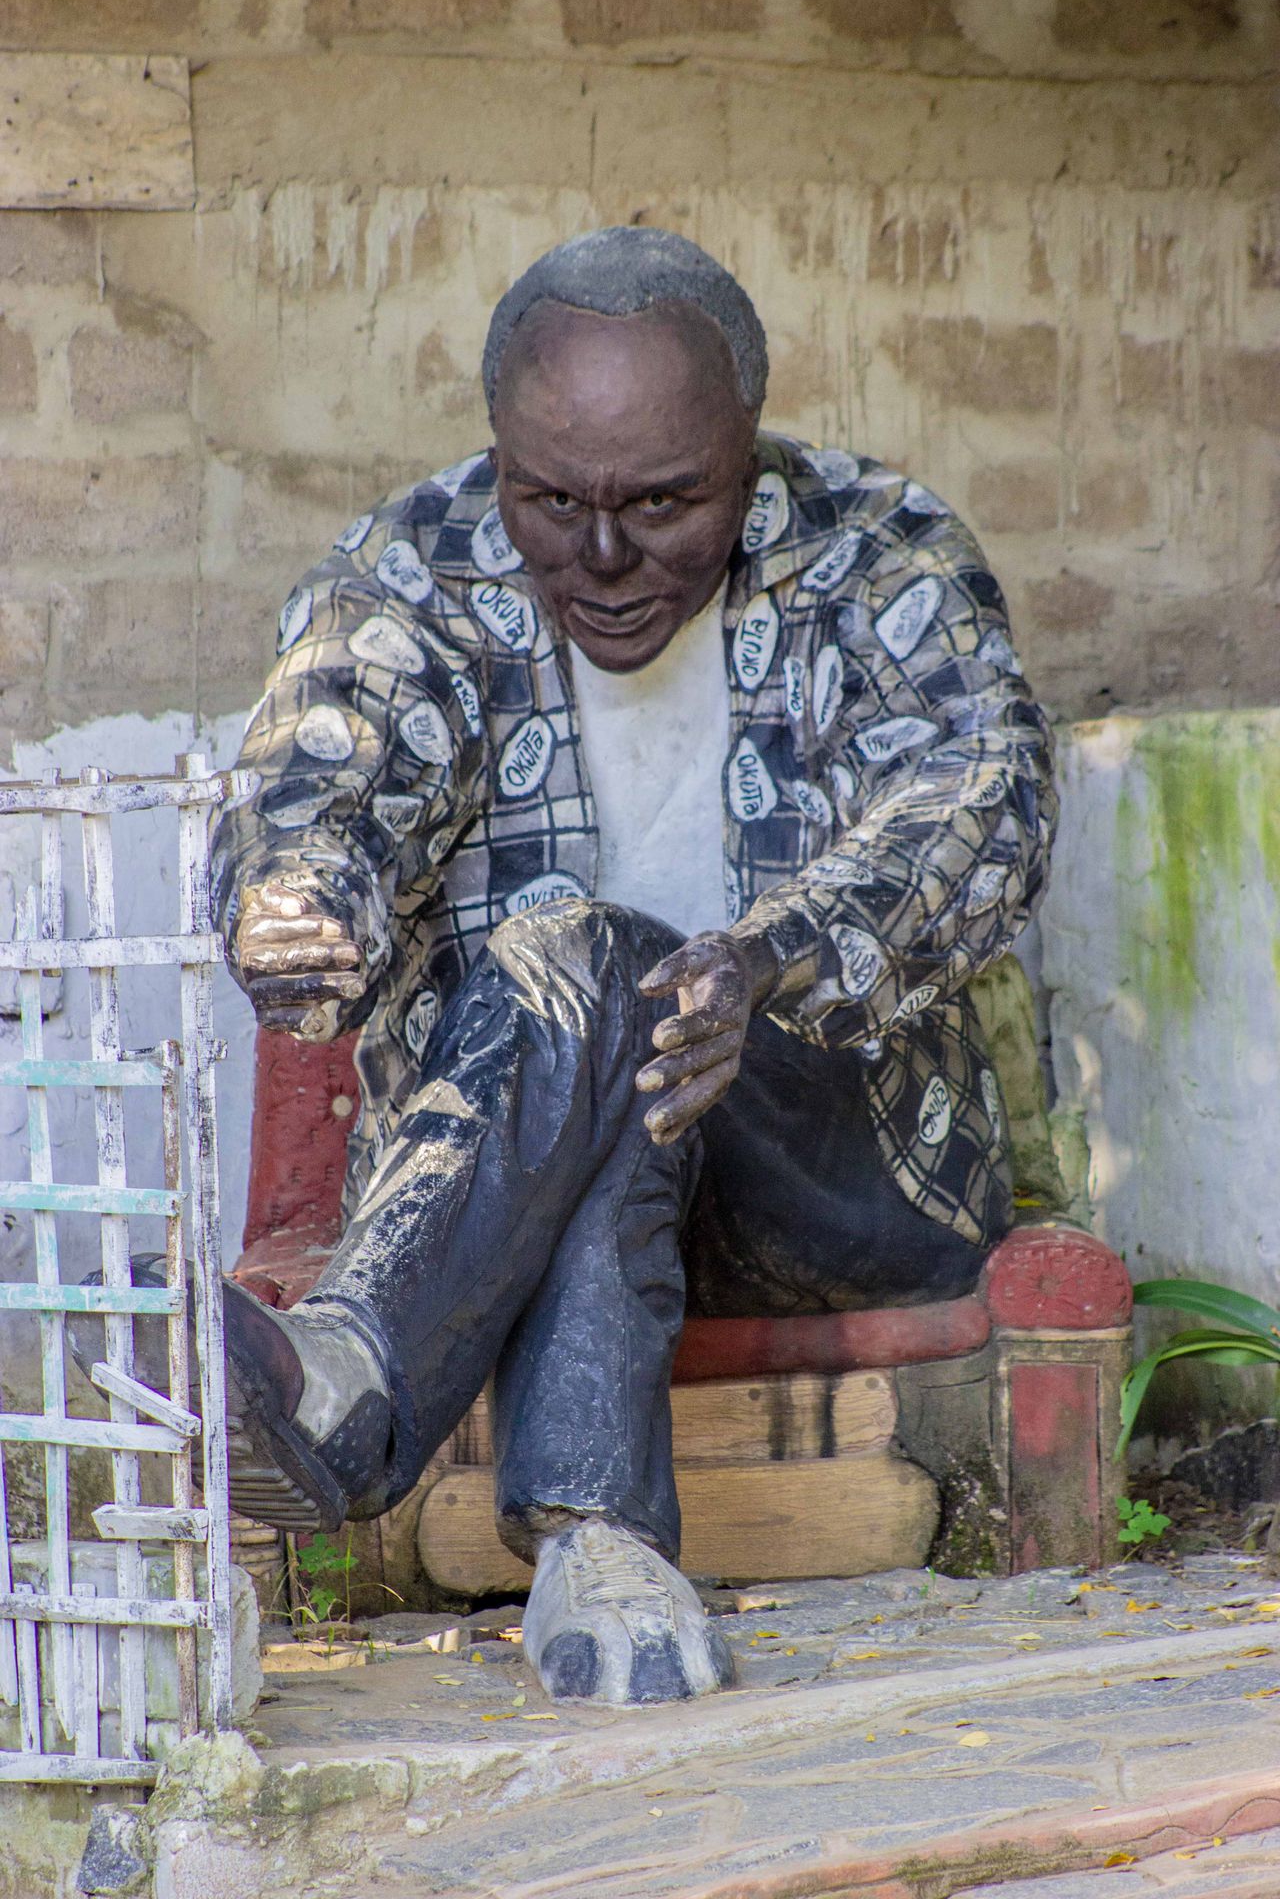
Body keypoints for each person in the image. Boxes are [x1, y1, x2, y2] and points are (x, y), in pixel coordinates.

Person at [87, 228, 1058, 1708]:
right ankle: (599, 1546)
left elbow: (981, 795)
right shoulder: (415, 571)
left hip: (842, 1172)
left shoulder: (880, 559)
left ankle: (350, 1386)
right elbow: (323, 766)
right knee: (595, 981)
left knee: (611, 978)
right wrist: (303, 897)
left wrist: (770, 960)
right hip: (535, 1163)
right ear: (502, 458)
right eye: (555, 500)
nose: (602, 556)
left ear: (751, 455)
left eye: (665, 504)